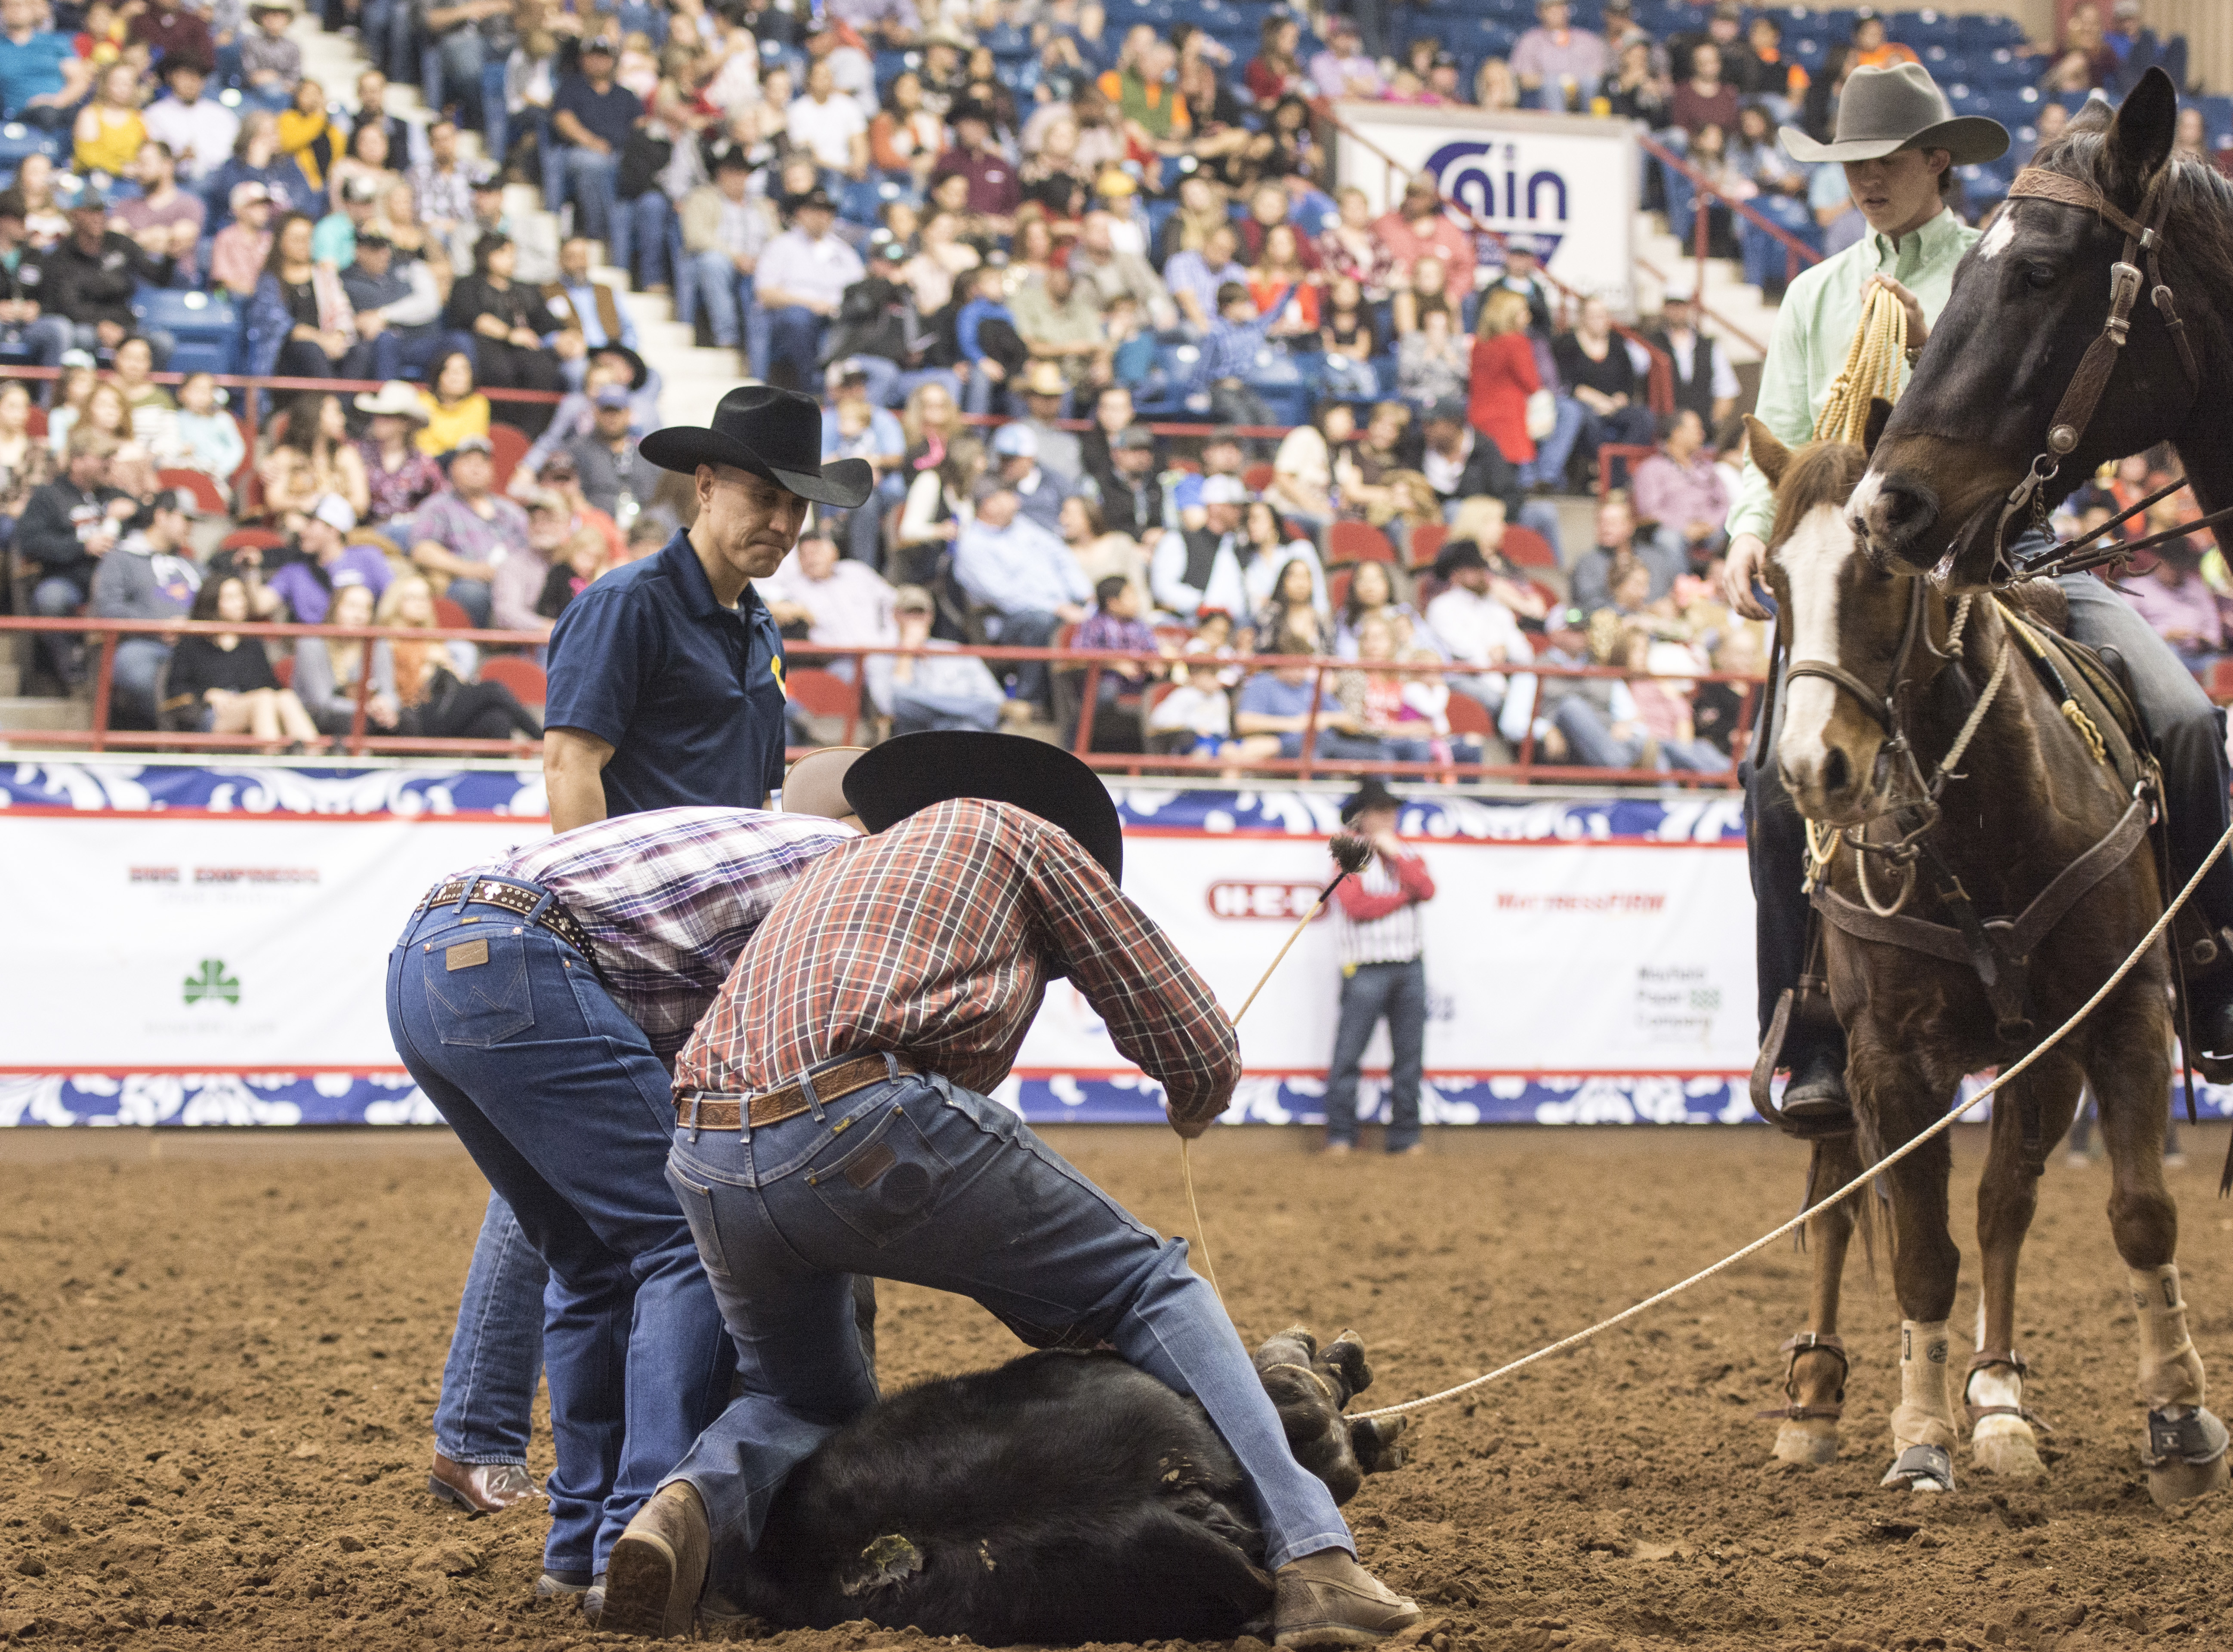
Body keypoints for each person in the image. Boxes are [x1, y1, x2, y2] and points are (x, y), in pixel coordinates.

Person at [601, 734, 1424, 1649]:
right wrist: (1196, 1096)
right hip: (861, 1116)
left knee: (799, 1397)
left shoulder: (841, 869)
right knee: (1148, 1283)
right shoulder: (1026, 834)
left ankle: (679, 1508)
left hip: (708, 1152)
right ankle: (1315, 1554)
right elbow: (1191, 1036)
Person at [1709, 63, 2233, 1116]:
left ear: (1937, 161)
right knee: (1771, 785)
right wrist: (1748, 531)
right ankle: (1807, 1030)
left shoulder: (1995, 262)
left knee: (2183, 719)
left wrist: (1923, 350)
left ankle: (2211, 980)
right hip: (1861, 576)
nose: (1867, 180)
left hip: (2013, 551)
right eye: (1853, 165)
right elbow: (1783, 442)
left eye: (1888, 161)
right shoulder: (1815, 293)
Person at [387, 784, 860, 1598]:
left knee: (588, 1262)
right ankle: (642, 1534)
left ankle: (581, 1553)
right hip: (526, 954)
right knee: (689, 1234)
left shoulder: (778, 847)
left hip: (427, 957)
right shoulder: (858, 875)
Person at [543, 384, 873, 832]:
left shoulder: (763, 629)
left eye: (799, 506)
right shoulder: (625, 606)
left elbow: (758, 797)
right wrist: (601, 882)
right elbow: (569, 768)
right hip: (639, 877)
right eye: (764, 497)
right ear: (705, 487)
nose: (783, 524)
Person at [1321, 779, 1435, 1156]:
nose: (1390, 818)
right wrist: (1404, 897)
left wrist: (1396, 857)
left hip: (1408, 965)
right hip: (1365, 967)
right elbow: (1357, 907)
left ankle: (1406, 1137)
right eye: (1381, 811)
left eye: (1392, 810)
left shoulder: (1406, 852)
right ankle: (1341, 1136)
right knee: (1348, 1056)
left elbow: (1427, 889)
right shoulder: (1349, 855)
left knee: (1409, 1059)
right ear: (1363, 817)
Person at [954, 476, 1091, 712]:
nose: (1017, 500)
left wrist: (1086, 594)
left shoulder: (1021, 525)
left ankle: (1081, 707)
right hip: (1006, 622)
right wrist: (1057, 607)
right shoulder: (972, 545)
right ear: (989, 504)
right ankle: (1030, 703)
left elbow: (1059, 553)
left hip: (1062, 605)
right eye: (1008, 495)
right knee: (1042, 621)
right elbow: (1007, 597)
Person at [19, 430, 132, 687]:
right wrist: (83, 547)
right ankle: (73, 671)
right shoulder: (49, 496)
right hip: (70, 578)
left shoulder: (114, 494)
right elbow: (32, 542)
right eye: (103, 458)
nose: (109, 464)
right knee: (52, 598)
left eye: (111, 458)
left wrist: (137, 508)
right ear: (78, 461)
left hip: (116, 582)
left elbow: (154, 516)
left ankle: (115, 681)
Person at [88, 486, 204, 727]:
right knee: (134, 666)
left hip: (195, 645)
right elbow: (110, 609)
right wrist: (159, 627)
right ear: (161, 516)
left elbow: (215, 602)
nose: (191, 527)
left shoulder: (194, 565)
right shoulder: (121, 557)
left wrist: (193, 625)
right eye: (186, 519)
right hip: (144, 643)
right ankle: (175, 733)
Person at [164, 573, 323, 746]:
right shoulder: (192, 641)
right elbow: (176, 688)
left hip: (255, 706)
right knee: (263, 699)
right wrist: (207, 694)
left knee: (286, 697)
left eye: (241, 596)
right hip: (209, 714)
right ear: (213, 602)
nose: (240, 603)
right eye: (231, 598)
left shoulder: (252, 642)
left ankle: (315, 756)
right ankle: (271, 758)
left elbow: (270, 684)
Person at [444, 234, 565, 438]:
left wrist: (566, 337)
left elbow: (548, 322)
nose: (513, 260)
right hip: (486, 346)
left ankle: (531, 435)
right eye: (505, 254)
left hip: (526, 349)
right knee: (501, 371)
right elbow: (473, 318)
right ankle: (501, 432)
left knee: (543, 369)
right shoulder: (468, 285)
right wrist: (510, 334)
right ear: (488, 255)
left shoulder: (525, 289)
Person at [753, 188, 865, 391]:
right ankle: (811, 387)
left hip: (836, 316)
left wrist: (836, 308)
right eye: (814, 211)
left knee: (857, 323)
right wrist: (810, 304)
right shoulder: (781, 246)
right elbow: (766, 294)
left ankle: (838, 389)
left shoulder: (845, 253)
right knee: (799, 318)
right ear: (801, 213)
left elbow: (860, 292)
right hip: (791, 316)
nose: (821, 217)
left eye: (826, 212)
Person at [865, 583, 1006, 733]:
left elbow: (995, 702)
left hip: (962, 732)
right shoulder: (879, 657)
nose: (915, 619)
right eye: (909, 612)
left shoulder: (955, 651)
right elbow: (891, 706)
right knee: (901, 700)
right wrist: (906, 652)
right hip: (913, 736)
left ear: (931, 617)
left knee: (968, 727)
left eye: (921, 613)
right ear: (895, 615)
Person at [757, 525, 896, 656]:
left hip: (883, 653)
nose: (811, 559)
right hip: (836, 661)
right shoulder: (794, 587)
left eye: (817, 552)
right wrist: (798, 611)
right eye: (804, 555)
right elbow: (765, 606)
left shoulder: (857, 572)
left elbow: (895, 601)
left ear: (834, 552)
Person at [270, 493, 391, 623]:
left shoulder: (368, 558)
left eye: (311, 524)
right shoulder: (296, 569)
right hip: (312, 635)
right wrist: (253, 571)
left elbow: (394, 598)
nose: (303, 532)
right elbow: (262, 603)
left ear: (333, 529)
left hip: (359, 634)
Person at [1632, 409, 1730, 569]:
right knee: (1669, 540)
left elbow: (1724, 504)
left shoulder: (1706, 468)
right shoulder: (1652, 468)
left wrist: (1711, 524)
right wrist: (1685, 527)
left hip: (1710, 530)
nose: (1703, 435)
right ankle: (1683, 584)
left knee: (1735, 535)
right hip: (1673, 531)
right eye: (1697, 429)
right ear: (1677, 433)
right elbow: (1650, 511)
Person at [142, 55, 239, 183]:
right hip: (175, 182)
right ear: (170, 77)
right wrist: (178, 159)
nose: (191, 83)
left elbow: (234, 155)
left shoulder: (222, 114)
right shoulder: (154, 115)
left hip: (219, 181)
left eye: (196, 77)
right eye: (185, 77)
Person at [0, 0, 93, 131]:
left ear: (33, 9)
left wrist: (56, 102)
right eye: (9, 6)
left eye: (21, 5)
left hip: (57, 112)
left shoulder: (55, 43)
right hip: (17, 118)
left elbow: (79, 81)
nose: (16, 10)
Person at [1511, 0, 1607, 112]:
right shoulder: (1530, 40)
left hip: (1583, 95)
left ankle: (1591, 122)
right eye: (1550, 7)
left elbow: (1600, 74)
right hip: (1547, 100)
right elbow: (1524, 79)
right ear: (1540, 12)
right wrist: (1561, 82)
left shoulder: (1587, 39)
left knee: (1590, 83)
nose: (1556, 11)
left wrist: (1574, 84)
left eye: (1561, 6)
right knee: (1552, 85)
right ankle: (1558, 122)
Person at [210, 182, 275, 298]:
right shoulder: (226, 238)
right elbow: (223, 281)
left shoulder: (270, 240)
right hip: (235, 302)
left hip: (267, 301)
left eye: (265, 205)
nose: (263, 210)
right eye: (255, 206)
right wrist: (256, 293)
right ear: (238, 209)